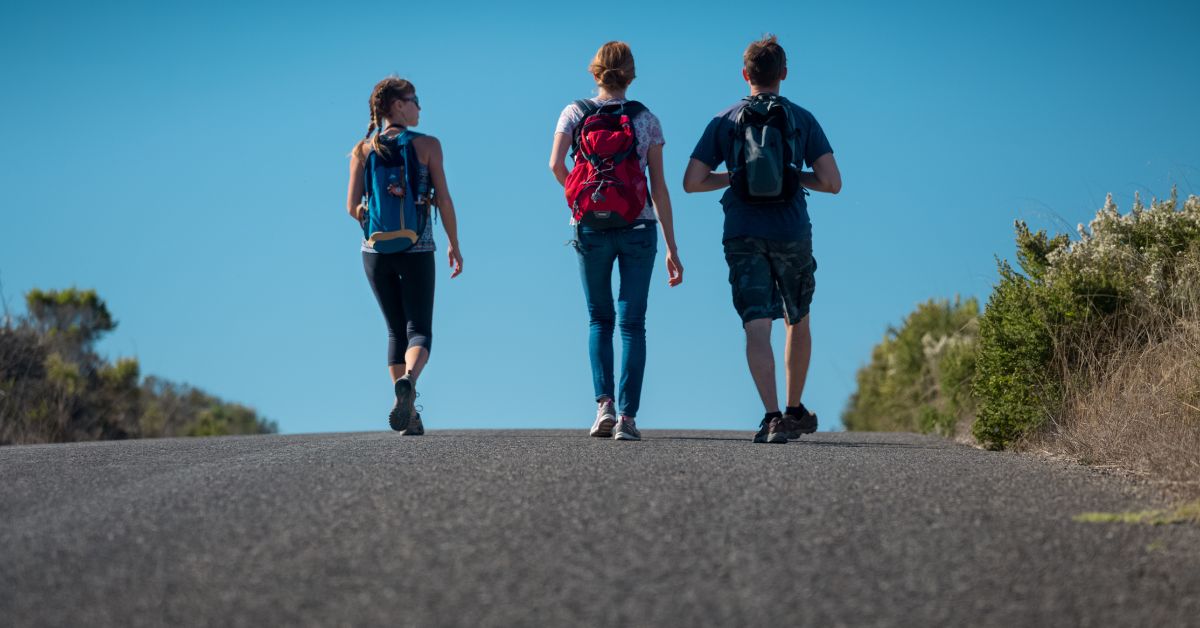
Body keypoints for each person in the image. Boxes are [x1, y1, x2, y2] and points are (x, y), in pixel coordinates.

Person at [683, 35, 841, 444]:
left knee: (756, 327)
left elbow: (692, 182)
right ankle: (793, 409)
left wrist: (736, 177)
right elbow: (832, 182)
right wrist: (791, 176)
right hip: (791, 230)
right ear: (783, 73)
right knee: (797, 318)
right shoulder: (802, 118)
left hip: (743, 231)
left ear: (745, 74)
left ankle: (771, 418)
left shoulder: (724, 119)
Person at [549, 41, 684, 441]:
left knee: (599, 318)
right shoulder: (647, 119)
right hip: (639, 227)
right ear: (632, 75)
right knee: (632, 324)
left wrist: (580, 199)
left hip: (589, 226)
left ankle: (603, 406)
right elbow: (659, 187)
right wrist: (672, 247)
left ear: (594, 73)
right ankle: (628, 419)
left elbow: (555, 164)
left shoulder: (574, 113)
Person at [346, 77, 463, 436]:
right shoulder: (428, 145)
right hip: (417, 246)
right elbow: (444, 199)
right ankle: (409, 381)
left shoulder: (362, 150)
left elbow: (351, 207)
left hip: (374, 252)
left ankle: (408, 413)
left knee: (395, 331)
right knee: (419, 330)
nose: (419, 107)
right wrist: (453, 243)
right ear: (397, 105)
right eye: (414, 100)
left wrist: (375, 220)